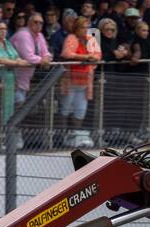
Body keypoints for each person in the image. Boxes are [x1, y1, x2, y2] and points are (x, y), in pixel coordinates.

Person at [60, 14, 100, 147]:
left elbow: (98, 54)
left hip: (84, 82)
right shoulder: (71, 38)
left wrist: (92, 58)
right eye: (83, 27)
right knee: (66, 109)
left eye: (88, 27)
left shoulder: (91, 38)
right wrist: (85, 57)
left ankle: (75, 135)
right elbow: (67, 53)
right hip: (71, 80)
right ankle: (63, 136)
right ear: (77, 28)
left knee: (80, 110)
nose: (86, 30)